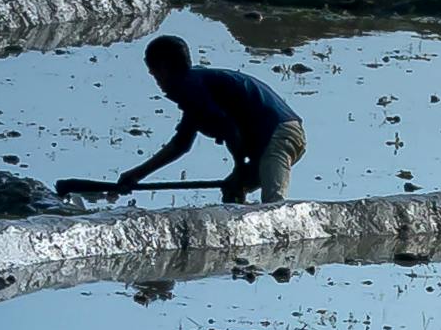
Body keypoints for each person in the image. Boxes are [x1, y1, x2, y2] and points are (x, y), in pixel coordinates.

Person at [93, 29, 304, 203]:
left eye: (153, 69)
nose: (152, 75)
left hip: (280, 135)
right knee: (232, 192)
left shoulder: (189, 87)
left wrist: (239, 167)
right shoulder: (195, 88)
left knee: (274, 205)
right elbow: (181, 144)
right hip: (265, 142)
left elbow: (228, 127)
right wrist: (137, 174)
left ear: (164, 68)